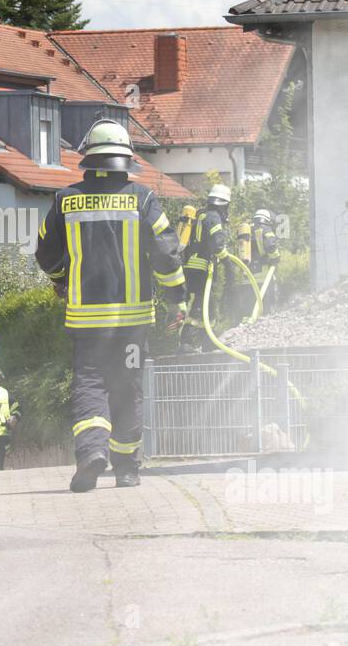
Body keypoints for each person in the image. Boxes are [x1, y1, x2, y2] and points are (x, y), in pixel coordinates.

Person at [34, 120, 186, 492]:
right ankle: (127, 469)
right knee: (128, 386)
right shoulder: (143, 199)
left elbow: (46, 253)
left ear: (88, 158)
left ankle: (90, 454)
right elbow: (166, 253)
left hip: (87, 324)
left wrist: (59, 280)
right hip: (133, 325)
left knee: (90, 383)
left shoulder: (64, 200)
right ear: (126, 159)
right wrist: (177, 298)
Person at [179, 183, 231, 353]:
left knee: (206, 306)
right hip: (201, 269)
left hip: (190, 266)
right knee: (199, 306)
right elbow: (217, 245)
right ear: (224, 204)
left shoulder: (201, 214)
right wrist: (227, 261)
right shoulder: (214, 217)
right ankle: (186, 342)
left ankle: (207, 342)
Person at [250, 208, 282, 315]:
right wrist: (276, 258)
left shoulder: (247, 230)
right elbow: (271, 247)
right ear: (268, 220)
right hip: (264, 275)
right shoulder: (266, 230)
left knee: (250, 304)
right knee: (267, 306)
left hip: (247, 276)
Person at [0, 369, 18, 470]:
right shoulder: (4, 393)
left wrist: (14, 416)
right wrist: (15, 416)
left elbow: (16, 408)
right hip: (2, 435)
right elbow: (17, 408)